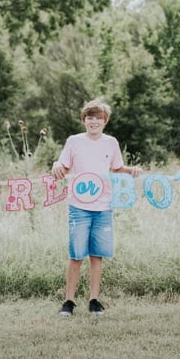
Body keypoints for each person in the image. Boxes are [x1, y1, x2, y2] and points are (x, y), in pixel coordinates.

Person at [52, 99, 142, 317]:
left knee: (97, 255)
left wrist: (132, 170)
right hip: (79, 206)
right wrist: (56, 164)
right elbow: (63, 166)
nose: (94, 122)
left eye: (98, 118)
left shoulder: (111, 143)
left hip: (103, 206)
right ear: (84, 120)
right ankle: (69, 301)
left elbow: (117, 167)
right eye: (90, 118)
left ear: (105, 121)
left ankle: (94, 300)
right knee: (76, 254)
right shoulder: (74, 141)